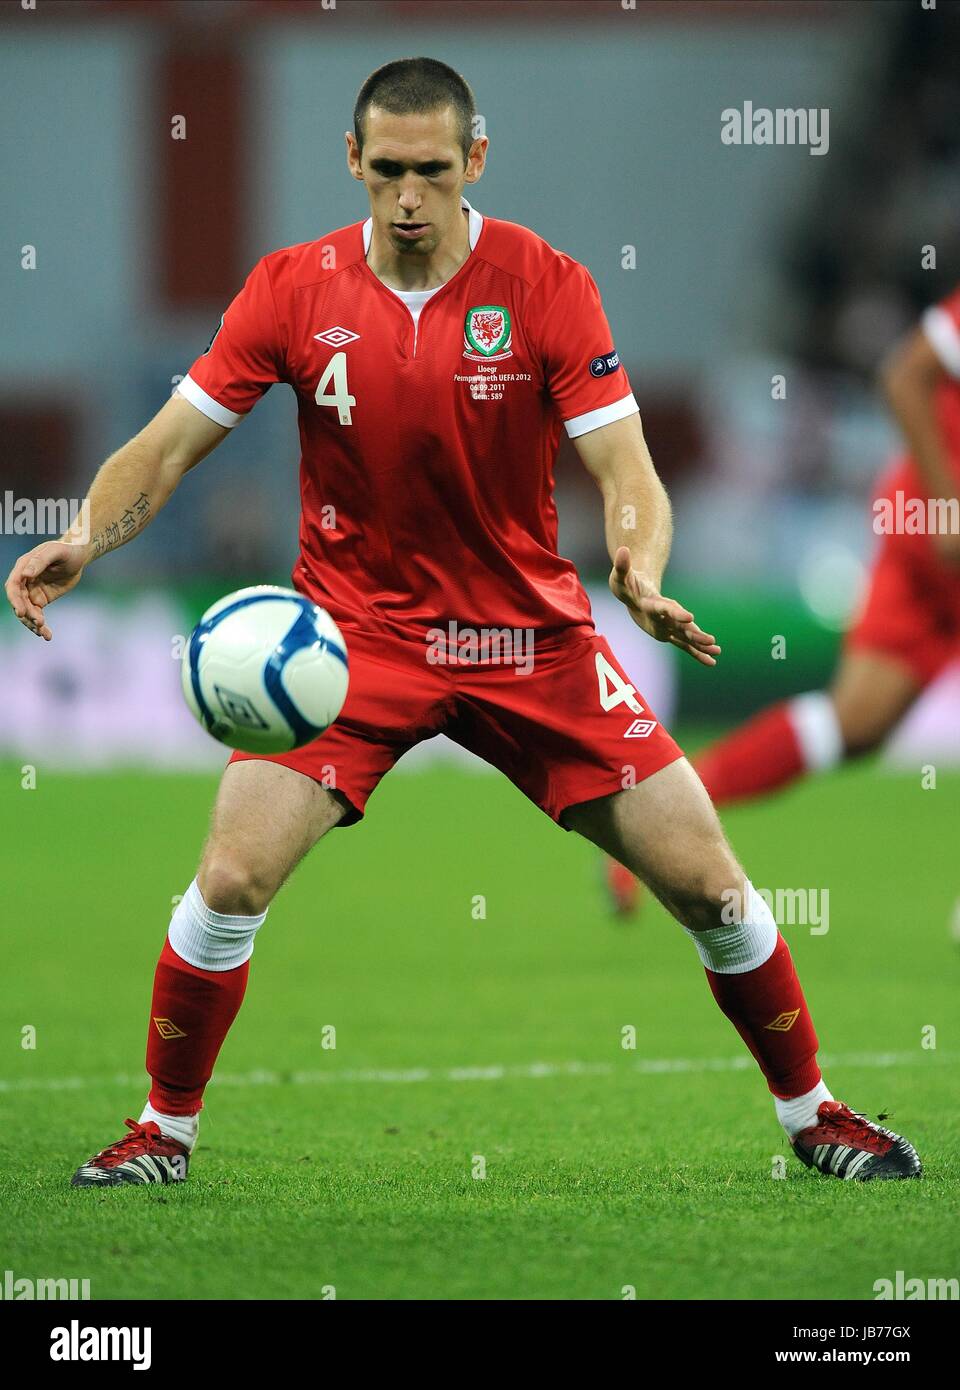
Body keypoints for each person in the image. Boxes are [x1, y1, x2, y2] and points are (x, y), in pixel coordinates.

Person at [6, 59, 920, 1186]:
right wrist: (88, 537)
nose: (406, 197)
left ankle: (814, 1114)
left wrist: (639, 565)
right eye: (385, 170)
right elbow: (167, 444)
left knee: (712, 886)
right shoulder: (293, 290)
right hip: (348, 644)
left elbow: (626, 467)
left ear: (473, 161)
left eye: (431, 171)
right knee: (230, 878)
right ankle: (161, 1132)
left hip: (527, 637)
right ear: (352, 160)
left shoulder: (545, 284)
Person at [607, 285, 960, 914]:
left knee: (854, 722)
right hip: (934, 541)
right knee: (853, 721)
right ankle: (670, 816)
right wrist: (947, 503)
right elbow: (906, 375)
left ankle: (673, 810)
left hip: (925, 534)